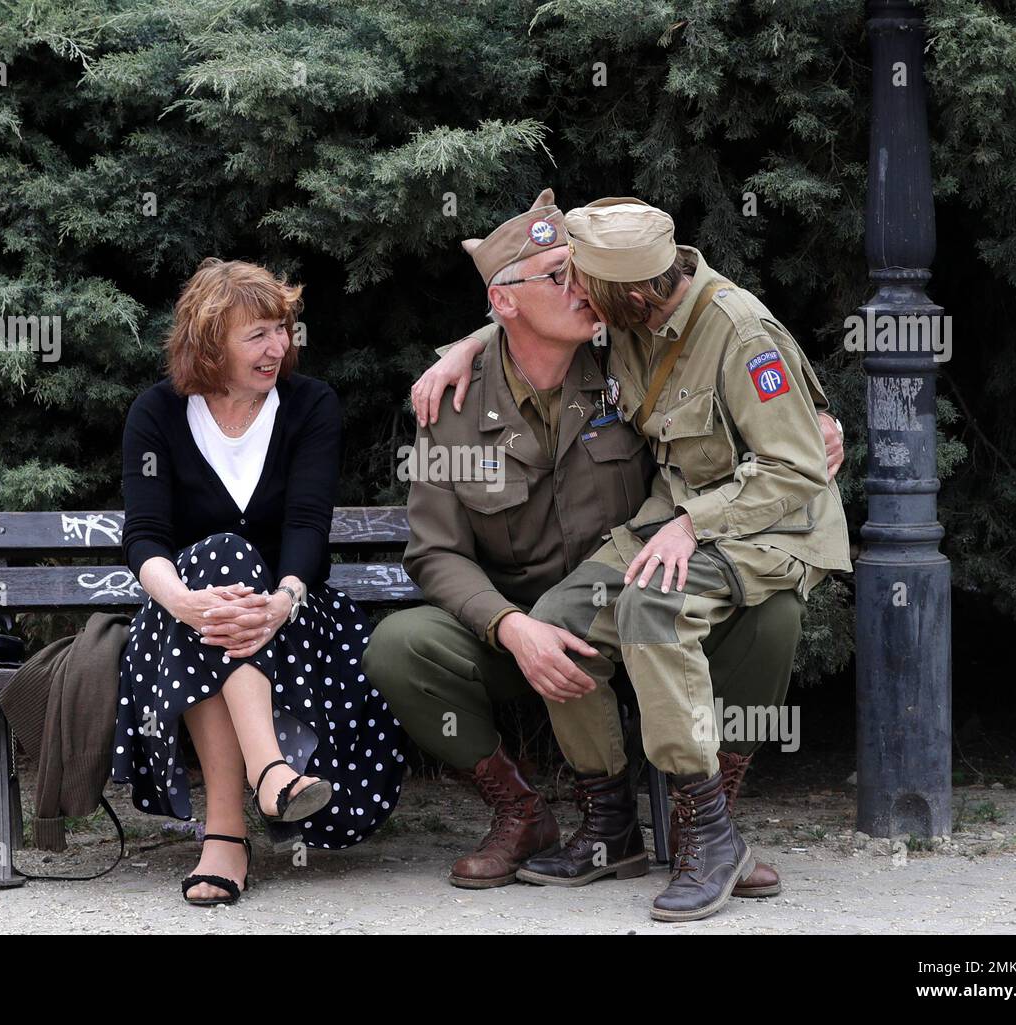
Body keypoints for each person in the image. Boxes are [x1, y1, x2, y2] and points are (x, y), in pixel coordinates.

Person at [369, 192, 844, 898]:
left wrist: (809, 429)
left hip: (710, 552)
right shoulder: (469, 398)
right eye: (560, 277)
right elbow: (435, 552)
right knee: (451, 634)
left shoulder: (646, 339)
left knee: (699, 610)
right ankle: (586, 823)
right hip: (544, 612)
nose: (577, 289)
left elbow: (781, 447)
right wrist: (510, 625)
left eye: (578, 273)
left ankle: (707, 828)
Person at [112, 258, 403, 906]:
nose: (278, 347)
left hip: (294, 617)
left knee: (230, 579)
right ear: (209, 342)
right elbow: (146, 537)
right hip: (179, 623)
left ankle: (227, 836)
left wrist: (280, 602)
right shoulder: (156, 415)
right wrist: (186, 602)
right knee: (218, 560)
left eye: (282, 329)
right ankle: (266, 777)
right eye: (258, 334)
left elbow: (306, 524)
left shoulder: (309, 407)